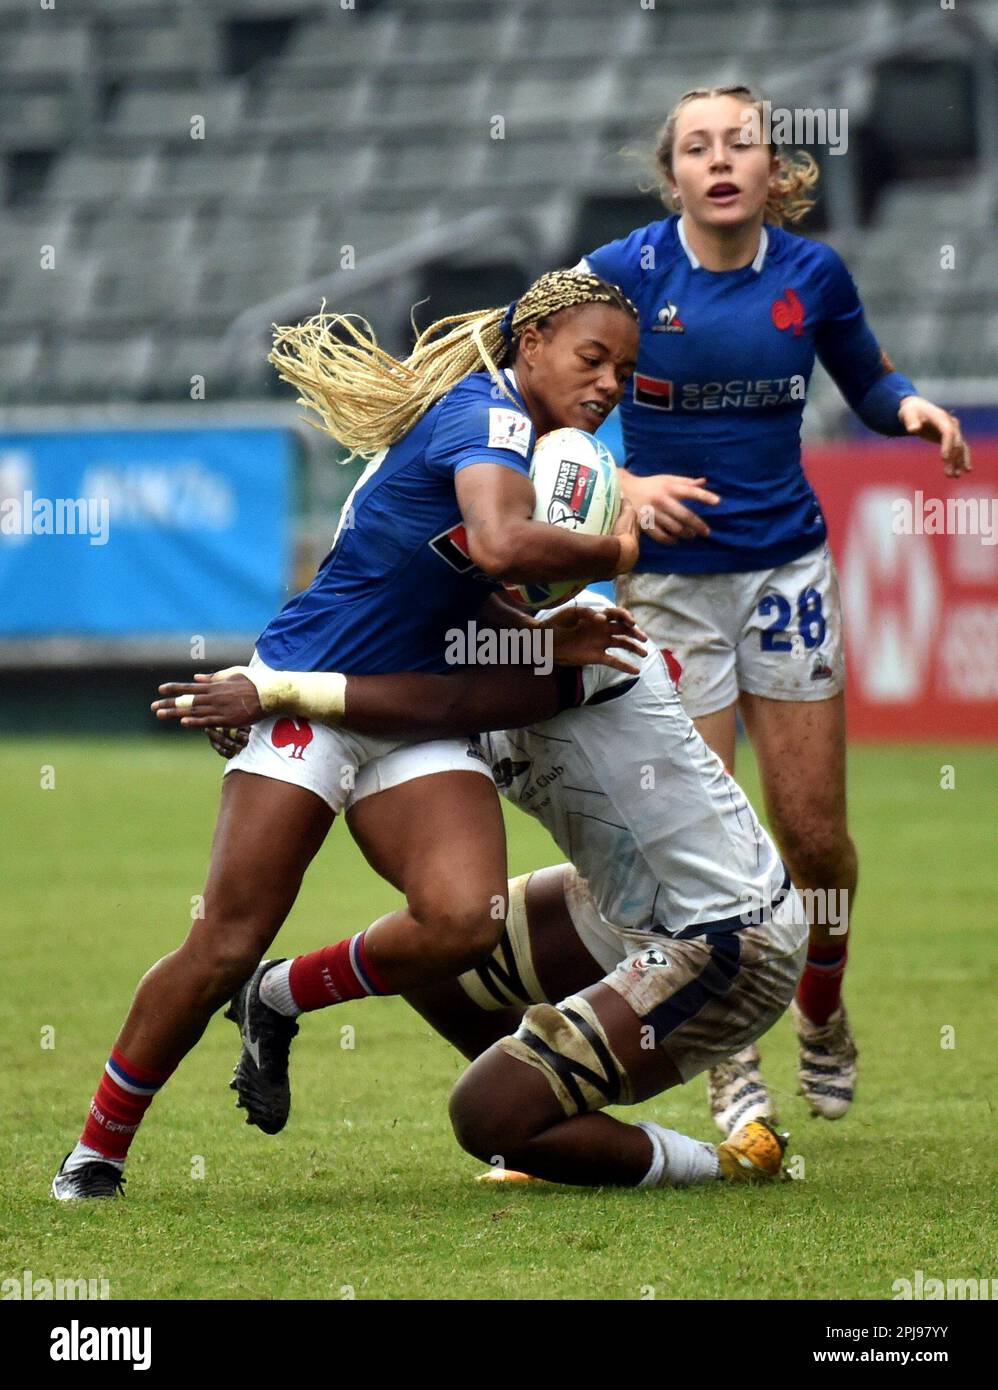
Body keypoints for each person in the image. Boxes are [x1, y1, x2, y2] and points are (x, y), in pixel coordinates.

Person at [51, 269, 645, 1200]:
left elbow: (452, 579)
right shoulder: (487, 420)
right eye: (593, 357)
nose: (609, 383)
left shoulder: (512, 431)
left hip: (402, 705)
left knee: (463, 920)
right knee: (224, 940)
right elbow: (496, 546)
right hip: (307, 695)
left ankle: (278, 996)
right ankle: (96, 1152)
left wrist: (537, 634)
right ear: (532, 346)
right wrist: (619, 550)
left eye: (625, 369)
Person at [575, 85, 972, 1132]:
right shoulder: (622, 274)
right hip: (666, 587)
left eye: (737, 143)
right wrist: (620, 489)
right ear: (670, 176)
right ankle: (726, 1063)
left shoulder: (810, 273)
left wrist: (913, 409)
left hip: (784, 577)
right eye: (694, 145)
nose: (717, 159)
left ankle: (823, 1010)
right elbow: (538, 390)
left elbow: (867, 377)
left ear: (771, 172)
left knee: (813, 842)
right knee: (695, 847)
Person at [157, 589, 809, 1189]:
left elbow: (423, 704)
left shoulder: (585, 633)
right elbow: (379, 708)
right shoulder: (460, 641)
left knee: (485, 1115)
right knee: (436, 953)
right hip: (617, 909)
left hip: (728, 936)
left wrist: (277, 694)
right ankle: (551, 1130)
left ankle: (719, 1167)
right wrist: (261, 707)